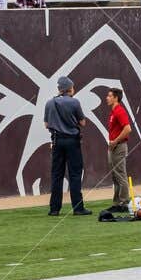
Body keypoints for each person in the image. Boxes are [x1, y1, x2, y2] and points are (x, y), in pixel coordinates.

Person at [44, 76, 90, 216]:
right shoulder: (74, 102)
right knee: (75, 174)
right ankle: (78, 208)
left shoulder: (49, 103)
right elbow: (82, 123)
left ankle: (54, 209)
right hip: (72, 141)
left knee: (56, 174)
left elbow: (46, 124)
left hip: (57, 141)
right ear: (69, 88)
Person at [105, 89, 132, 212]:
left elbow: (127, 129)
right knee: (115, 176)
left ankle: (124, 202)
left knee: (120, 175)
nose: (107, 98)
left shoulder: (119, 111)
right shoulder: (113, 112)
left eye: (110, 96)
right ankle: (116, 203)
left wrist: (115, 141)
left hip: (119, 146)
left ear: (116, 98)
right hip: (113, 147)